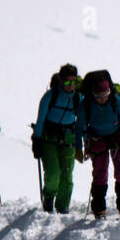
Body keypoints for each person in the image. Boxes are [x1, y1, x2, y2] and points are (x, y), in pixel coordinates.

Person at [31, 63, 87, 214]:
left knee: (67, 175)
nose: (71, 86)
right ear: (61, 81)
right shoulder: (50, 96)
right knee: (53, 173)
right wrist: (36, 140)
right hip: (48, 139)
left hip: (68, 139)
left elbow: (82, 122)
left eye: (73, 82)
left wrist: (86, 141)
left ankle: (63, 206)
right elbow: (41, 119)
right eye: (67, 82)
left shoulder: (78, 98)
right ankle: (49, 198)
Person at [81, 70, 120, 219]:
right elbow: (80, 125)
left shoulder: (115, 100)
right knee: (100, 173)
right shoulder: (86, 103)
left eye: (105, 95)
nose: (103, 99)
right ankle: (99, 209)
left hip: (118, 138)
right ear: (93, 93)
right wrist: (81, 146)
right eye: (99, 96)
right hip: (97, 139)